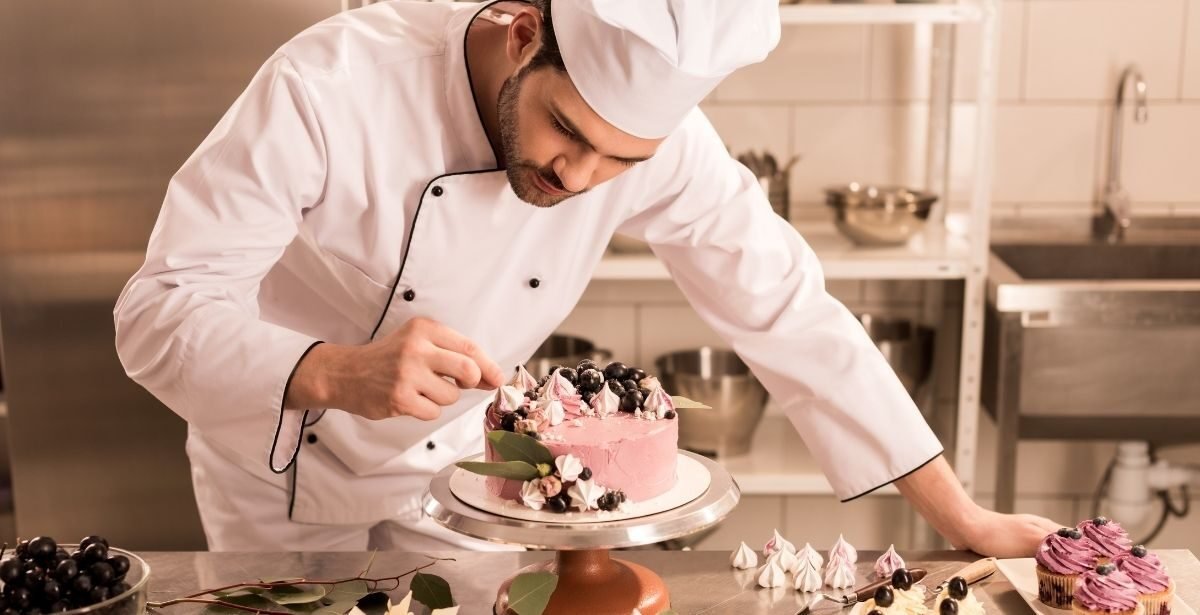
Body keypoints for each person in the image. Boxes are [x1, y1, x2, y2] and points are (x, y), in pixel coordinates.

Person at [115, 0, 1058, 554]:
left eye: (621, 161)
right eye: (568, 130)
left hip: (459, 485)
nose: (579, 178)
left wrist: (962, 515)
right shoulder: (331, 87)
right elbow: (157, 312)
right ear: (524, 31)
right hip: (280, 486)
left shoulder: (662, 149)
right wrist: (332, 369)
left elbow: (788, 309)